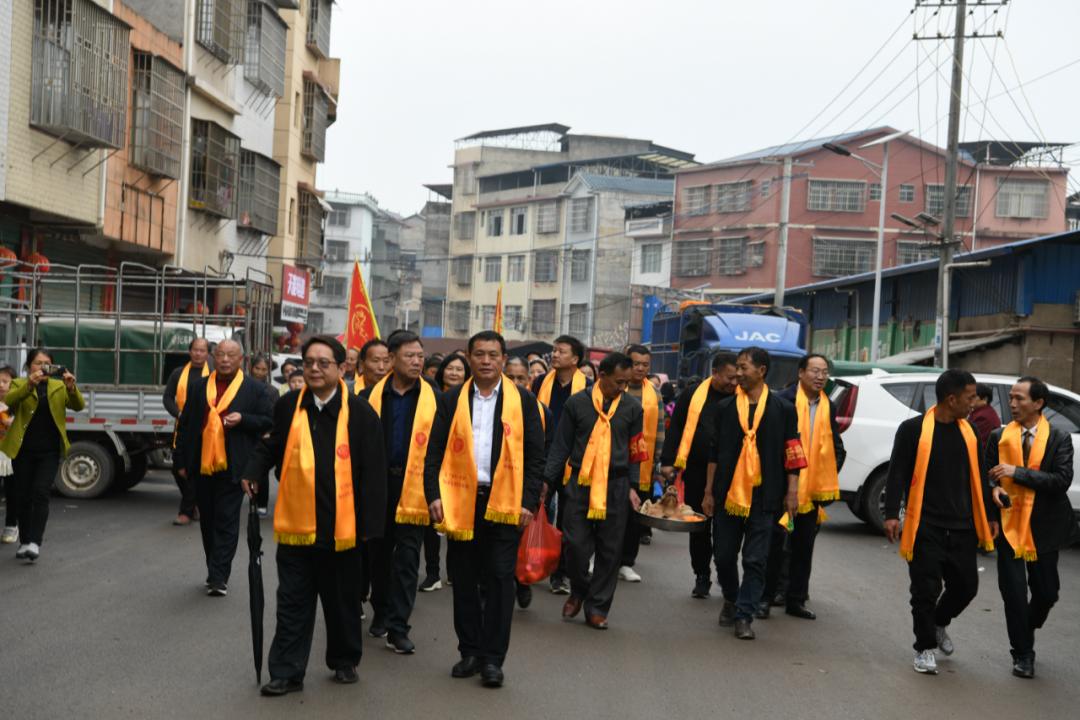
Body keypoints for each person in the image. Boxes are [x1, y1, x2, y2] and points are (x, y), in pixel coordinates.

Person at [242, 335, 388, 697]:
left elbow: (374, 473)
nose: (315, 369)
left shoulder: (361, 414)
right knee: (292, 601)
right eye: (309, 362)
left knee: (342, 602)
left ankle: (344, 660)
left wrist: (370, 528)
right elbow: (272, 443)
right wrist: (253, 470)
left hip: (343, 529)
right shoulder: (289, 405)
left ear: (342, 368)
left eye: (324, 363)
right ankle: (287, 671)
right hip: (297, 527)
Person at [424, 331, 545, 688]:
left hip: (505, 502)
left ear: (503, 359)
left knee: (500, 579)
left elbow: (535, 456)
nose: (486, 361)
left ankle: (493, 659)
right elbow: (434, 451)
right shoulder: (451, 400)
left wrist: (528, 502)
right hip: (460, 500)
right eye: (479, 354)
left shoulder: (523, 401)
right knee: (463, 578)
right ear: (468, 357)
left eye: (493, 354)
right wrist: (433, 494)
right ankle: (470, 651)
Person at [883, 369, 998, 675]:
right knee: (925, 590)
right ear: (951, 399)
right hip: (925, 524)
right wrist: (891, 514)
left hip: (963, 525)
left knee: (966, 587)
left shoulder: (970, 431)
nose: (974, 403)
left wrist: (989, 515)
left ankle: (938, 622)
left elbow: (979, 477)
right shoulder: (913, 430)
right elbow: (897, 472)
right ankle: (924, 647)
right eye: (970, 397)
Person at [702, 347, 805, 640]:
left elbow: (793, 453)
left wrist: (792, 492)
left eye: (743, 367)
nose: (738, 373)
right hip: (728, 495)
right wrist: (709, 492)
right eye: (737, 367)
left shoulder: (783, 409)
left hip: (765, 495)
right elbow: (714, 453)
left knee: (755, 559)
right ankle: (731, 597)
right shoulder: (725, 408)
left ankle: (744, 615)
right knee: (723, 556)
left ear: (761, 371)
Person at [544, 352, 647, 630]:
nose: (622, 388)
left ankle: (597, 608)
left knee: (610, 551)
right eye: (618, 382)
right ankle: (579, 589)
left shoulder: (633, 408)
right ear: (602, 376)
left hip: (617, 485)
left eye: (626, 383)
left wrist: (633, 488)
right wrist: (547, 482)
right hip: (581, 482)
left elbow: (636, 452)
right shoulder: (577, 403)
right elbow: (561, 446)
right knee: (574, 545)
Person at [985, 376, 1076, 679]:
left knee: (1047, 593)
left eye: (1019, 398)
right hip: (1009, 526)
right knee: (1013, 593)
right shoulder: (998, 436)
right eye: (1011, 397)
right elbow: (988, 476)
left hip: (1044, 528)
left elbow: (1061, 481)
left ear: (1038, 403)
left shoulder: (1058, 439)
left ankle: (1027, 625)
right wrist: (994, 489)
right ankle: (1023, 654)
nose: (1012, 403)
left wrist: (1017, 472)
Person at [174, 339, 274, 595]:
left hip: (235, 464)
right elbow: (185, 425)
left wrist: (243, 419)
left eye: (231, 355)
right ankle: (214, 567)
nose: (225, 360)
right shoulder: (199, 387)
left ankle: (219, 577)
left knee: (226, 519)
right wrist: (181, 461)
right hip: (202, 464)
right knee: (207, 520)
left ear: (242, 360)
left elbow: (268, 421)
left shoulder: (254, 389)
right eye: (220, 355)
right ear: (214, 358)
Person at [360, 331, 438, 654]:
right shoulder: (368, 398)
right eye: (410, 356)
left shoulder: (434, 398)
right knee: (377, 556)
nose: (417, 361)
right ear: (391, 359)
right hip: (378, 486)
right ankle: (380, 610)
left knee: (407, 558)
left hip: (415, 487)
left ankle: (398, 626)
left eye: (420, 356)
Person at [762, 354, 846, 620]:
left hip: (811, 491)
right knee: (775, 545)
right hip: (783, 488)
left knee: (803, 547)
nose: (820, 377)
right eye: (815, 371)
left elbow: (835, 445)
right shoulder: (781, 400)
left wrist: (825, 475)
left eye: (824, 372)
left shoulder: (828, 406)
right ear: (801, 373)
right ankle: (765, 598)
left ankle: (795, 600)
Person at [660, 352, 737, 599]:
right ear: (714, 373)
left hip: (732, 474)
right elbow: (677, 427)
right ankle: (702, 575)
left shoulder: (741, 397)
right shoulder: (693, 394)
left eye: (737, 377)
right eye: (729, 377)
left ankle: (726, 575)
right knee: (700, 525)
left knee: (726, 528)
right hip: (696, 470)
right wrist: (668, 461)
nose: (734, 383)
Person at [2, 349, 85, 562]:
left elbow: (78, 406)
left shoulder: (58, 386)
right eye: (38, 363)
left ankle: (34, 542)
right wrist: (29, 385)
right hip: (22, 450)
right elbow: (9, 401)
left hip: (49, 451)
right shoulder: (19, 383)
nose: (42, 367)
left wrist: (71, 387)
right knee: (23, 496)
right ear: (29, 366)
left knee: (41, 492)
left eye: (47, 363)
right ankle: (24, 541)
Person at [531, 334, 589, 595]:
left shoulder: (588, 387)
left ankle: (560, 574)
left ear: (575, 359)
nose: (554, 355)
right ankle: (528, 566)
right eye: (553, 350)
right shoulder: (541, 382)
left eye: (561, 351)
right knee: (535, 511)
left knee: (568, 520)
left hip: (573, 462)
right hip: (543, 456)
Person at [419, 353, 473, 593]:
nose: (454, 373)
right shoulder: (431, 396)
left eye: (459, 369)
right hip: (435, 464)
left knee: (456, 521)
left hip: (460, 468)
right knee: (434, 521)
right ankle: (433, 572)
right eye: (450, 368)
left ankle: (454, 570)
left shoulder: (472, 398)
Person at [505, 355, 554, 610]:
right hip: (499, 484)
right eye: (510, 377)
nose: (515, 382)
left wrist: (542, 483)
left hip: (526, 485)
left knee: (520, 538)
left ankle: (521, 581)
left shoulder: (541, 411)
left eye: (520, 378)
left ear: (529, 380)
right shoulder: (492, 405)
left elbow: (547, 450)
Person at [618, 345, 664, 583]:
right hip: (614, 461)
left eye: (645, 365)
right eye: (636, 363)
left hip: (643, 465)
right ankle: (600, 557)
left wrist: (657, 463)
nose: (640, 368)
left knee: (635, 518)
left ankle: (626, 562)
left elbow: (660, 429)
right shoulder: (616, 387)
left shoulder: (654, 394)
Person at [163, 338, 211, 526]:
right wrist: (179, 414)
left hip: (206, 428)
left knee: (194, 469)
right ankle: (194, 504)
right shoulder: (178, 373)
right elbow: (168, 397)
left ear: (207, 354)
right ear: (190, 351)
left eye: (202, 350)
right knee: (178, 469)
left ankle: (186, 511)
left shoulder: (213, 373)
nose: (198, 354)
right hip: (183, 426)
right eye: (195, 350)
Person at [249, 353, 279, 517]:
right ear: (251, 368)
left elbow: (275, 415)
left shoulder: (272, 391)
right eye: (257, 368)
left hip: (264, 434)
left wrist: (269, 433)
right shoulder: (243, 386)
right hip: (247, 433)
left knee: (261, 470)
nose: (260, 372)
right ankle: (251, 500)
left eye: (263, 369)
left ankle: (262, 503)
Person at [0, 365, 18, 544]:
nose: (1, 385)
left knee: (12, 491)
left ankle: (11, 525)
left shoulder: (18, 403)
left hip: (11, 455)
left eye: (5, 381)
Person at [969, 383, 1002, 449]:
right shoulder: (983, 412)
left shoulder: (983, 417)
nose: (970, 399)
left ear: (984, 399)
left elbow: (974, 442)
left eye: (974, 396)